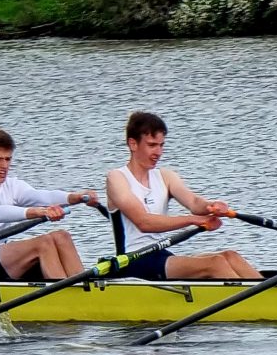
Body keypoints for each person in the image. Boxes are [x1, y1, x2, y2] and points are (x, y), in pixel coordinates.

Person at [105, 111, 261, 280]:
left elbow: (193, 202)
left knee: (231, 257)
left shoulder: (165, 176)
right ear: (133, 144)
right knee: (215, 263)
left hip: (160, 255)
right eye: (152, 145)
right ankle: (256, 305)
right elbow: (144, 222)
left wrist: (211, 206)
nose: (158, 152)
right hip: (133, 261)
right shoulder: (117, 178)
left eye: (161, 145)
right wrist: (193, 220)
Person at [0, 128, 97, 281]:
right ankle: (63, 298)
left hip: (0, 257)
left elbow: (41, 196)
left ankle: (85, 289)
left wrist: (75, 197)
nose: (4, 165)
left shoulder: (12, 185)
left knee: (61, 236)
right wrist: (37, 212)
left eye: (7, 159)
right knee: (44, 243)